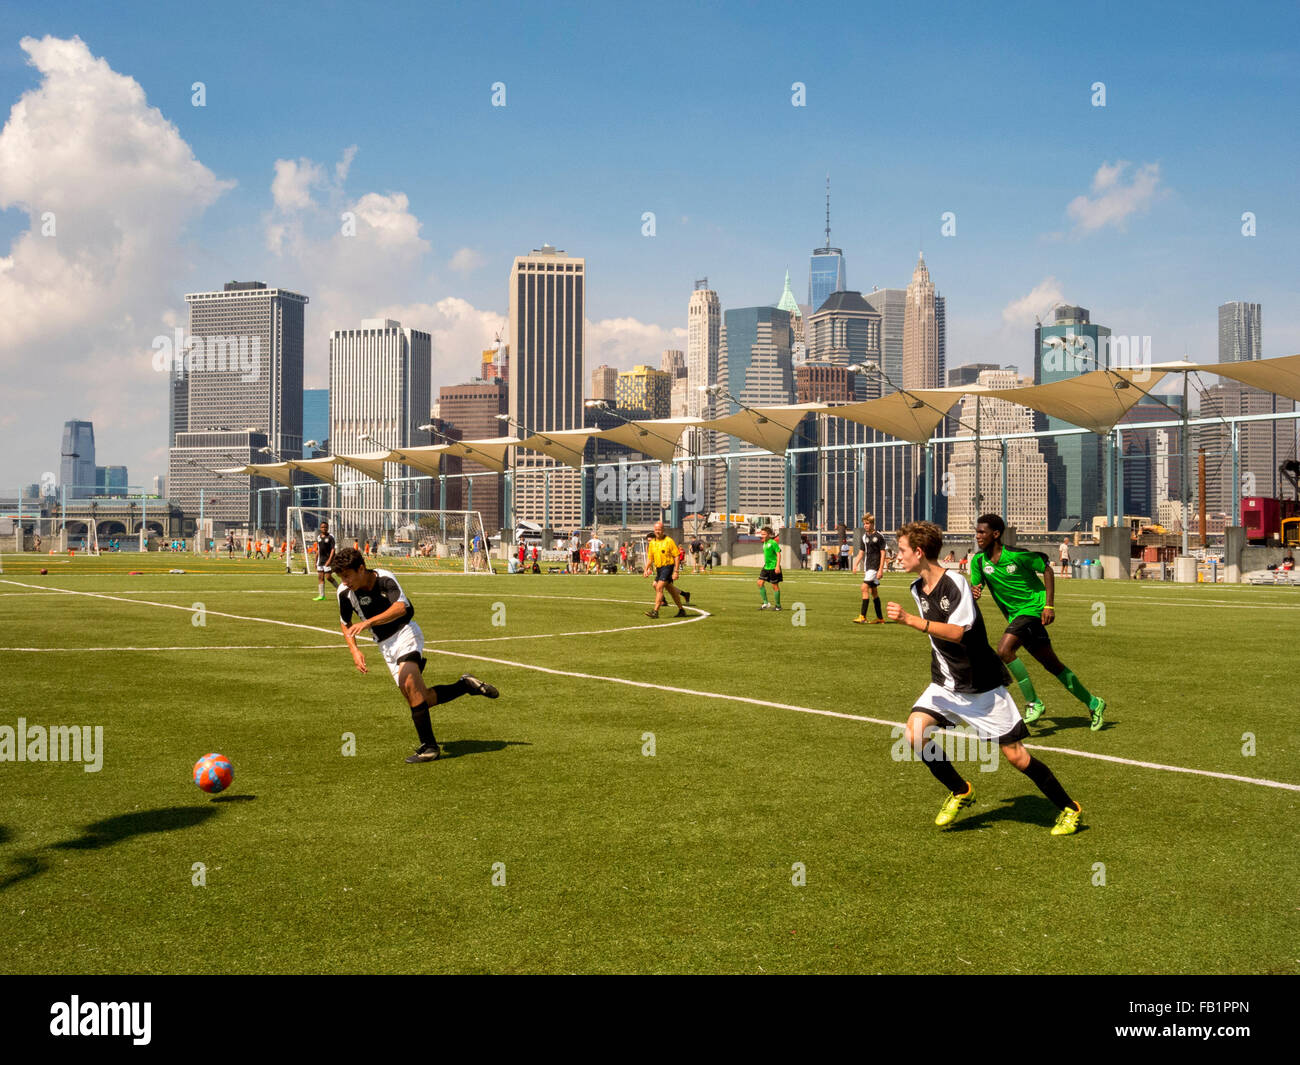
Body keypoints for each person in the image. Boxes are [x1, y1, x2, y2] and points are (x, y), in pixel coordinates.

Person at [885, 521, 1083, 835]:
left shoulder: (956, 584)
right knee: (914, 734)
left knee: (1016, 757)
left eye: (903, 550)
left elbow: (958, 632)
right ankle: (961, 790)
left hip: (980, 686)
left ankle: (1070, 809)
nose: (898, 556)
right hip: (944, 684)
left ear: (919, 552)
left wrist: (910, 621)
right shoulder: (915, 589)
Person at [333, 547, 499, 763]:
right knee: (421, 699)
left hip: (406, 634)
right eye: (340, 577)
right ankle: (465, 685)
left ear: (361, 569)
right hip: (385, 646)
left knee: (409, 684)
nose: (344, 581)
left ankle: (429, 747)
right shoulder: (344, 593)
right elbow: (345, 623)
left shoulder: (384, 578)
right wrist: (354, 650)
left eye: (347, 575)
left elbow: (401, 608)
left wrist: (368, 622)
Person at [971, 513, 1106, 731]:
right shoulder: (978, 561)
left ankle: (1034, 703)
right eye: (976, 532)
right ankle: (1094, 702)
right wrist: (974, 591)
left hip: (1033, 610)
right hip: (1016, 617)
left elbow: (1046, 569)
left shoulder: (1016, 556)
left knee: (1004, 650)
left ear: (995, 534)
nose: (977, 536)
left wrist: (1049, 605)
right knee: (1053, 665)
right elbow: (975, 587)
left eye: (981, 532)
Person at [643, 520, 689, 618]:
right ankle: (681, 610)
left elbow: (676, 556)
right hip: (659, 569)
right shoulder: (652, 543)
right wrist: (646, 569)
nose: (657, 531)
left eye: (659, 529)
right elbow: (650, 558)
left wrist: (676, 571)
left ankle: (655, 612)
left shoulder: (669, 541)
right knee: (670, 590)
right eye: (656, 530)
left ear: (663, 530)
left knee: (658, 587)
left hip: (668, 567)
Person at [853, 513, 888, 624]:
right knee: (874, 592)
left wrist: (881, 569)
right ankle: (880, 618)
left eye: (867, 523)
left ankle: (862, 617)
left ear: (872, 524)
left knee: (864, 587)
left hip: (875, 566)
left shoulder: (879, 536)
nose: (866, 526)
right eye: (864, 524)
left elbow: (883, 553)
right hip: (868, 567)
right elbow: (861, 553)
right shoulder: (864, 537)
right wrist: (855, 564)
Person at [756, 525, 783, 611]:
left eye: (764, 534)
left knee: (774, 586)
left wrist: (777, 566)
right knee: (760, 583)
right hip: (766, 566)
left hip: (773, 567)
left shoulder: (773, 543)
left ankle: (778, 606)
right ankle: (766, 603)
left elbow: (778, 554)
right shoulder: (764, 542)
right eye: (761, 534)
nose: (762, 535)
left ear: (769, 534)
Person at [313, 521, 339, 601]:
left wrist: (330, 560)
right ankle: (321, 595)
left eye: (325, 527)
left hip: (328, 561)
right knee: (320, 577)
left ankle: (340, 589)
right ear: (320, 528)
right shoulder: (319, 537)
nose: (324, 528)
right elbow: (318, 550)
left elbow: (332, 550)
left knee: (328, 577)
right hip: (320, 561)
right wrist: (315, 560)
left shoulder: (330, 537)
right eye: (322, 527)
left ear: (327, 528)